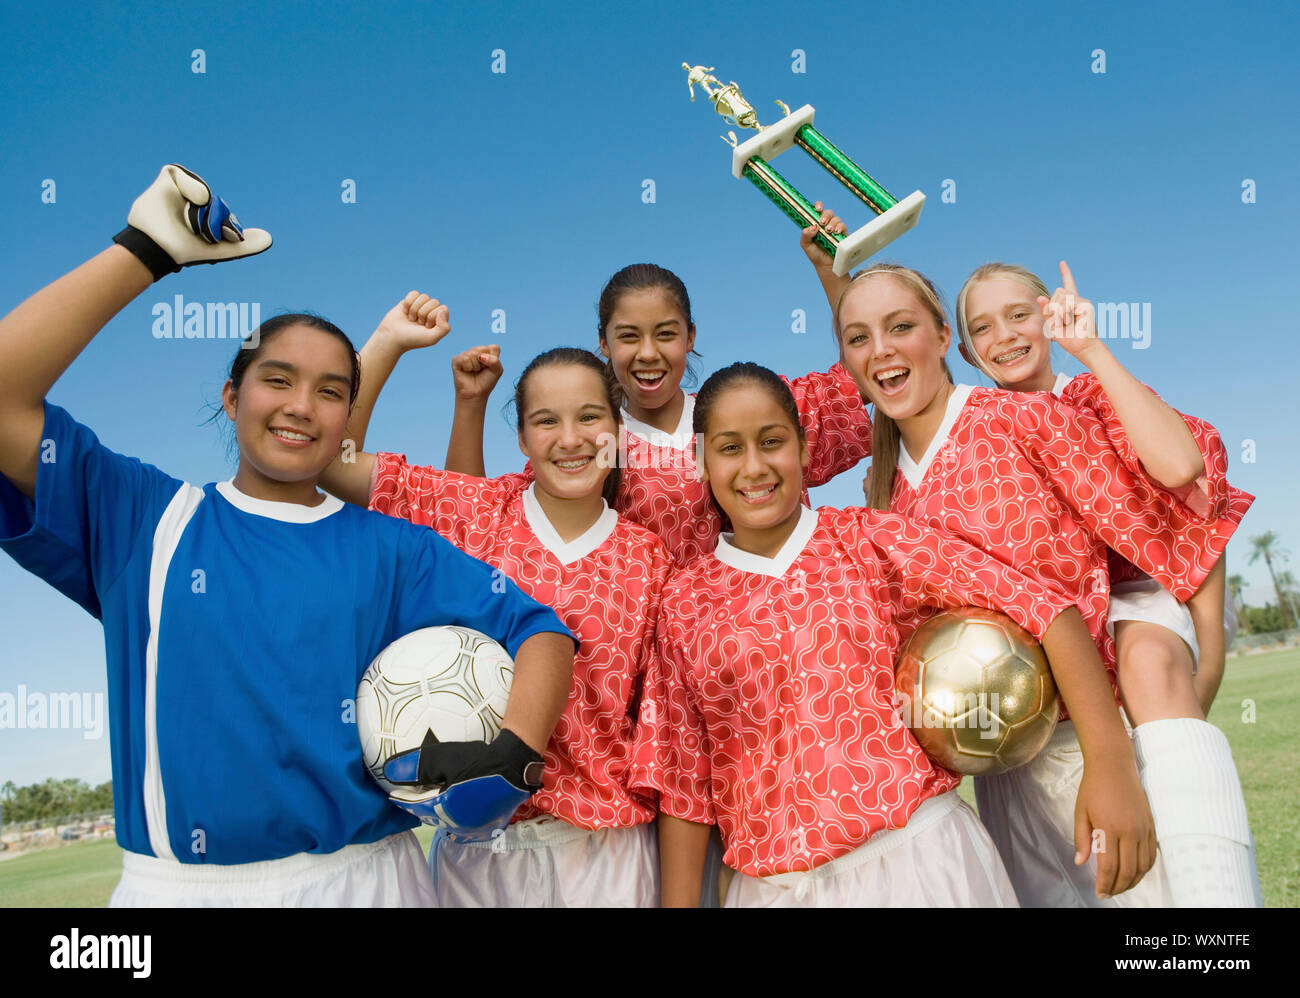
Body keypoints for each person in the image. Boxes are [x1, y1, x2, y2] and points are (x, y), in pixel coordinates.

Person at [0, 165, 575, 907]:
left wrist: (513, 756)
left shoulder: (390, 548)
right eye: (277, 380)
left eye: (332, 392)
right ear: (231, 396)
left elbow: (540, 631)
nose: (303, 407)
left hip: (372, 880)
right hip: (180, 890)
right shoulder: (143, 518)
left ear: (348, 415)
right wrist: (144, 251)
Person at [640, 363, 1153, 907]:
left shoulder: (869, 540)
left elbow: (1047, 610)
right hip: (775, 890)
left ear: (805, 449)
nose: (754, 466)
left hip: (922, 861)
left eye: (772, 441)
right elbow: (683, 781)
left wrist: (1110, 764)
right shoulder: (683, 602)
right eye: (728, 448)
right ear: (700, 461)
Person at [826, 261, 1256, 906]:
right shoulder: (884, 490)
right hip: (1005, 771)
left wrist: (1203, 660)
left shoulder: (1027, 418)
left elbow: (1175, 501)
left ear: (944, 339)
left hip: (1107, 742)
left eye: (902, 326)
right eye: (858, 338)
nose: (881, 348)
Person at [320, 331, 672, 907]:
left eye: (589, 417)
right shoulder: (476, 511)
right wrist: (388, 344)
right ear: (522, 437)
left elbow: (660, 732)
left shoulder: (650, 558)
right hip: (477, 854)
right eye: (545, 421)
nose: (570, 439)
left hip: (604, 854)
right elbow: (334, 461)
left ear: (618, 430)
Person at [443, 263, 873, 567]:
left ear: (690, 337)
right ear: (604, 344)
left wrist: (830, 272)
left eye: (666, 334)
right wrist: (470, 402)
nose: (648, 353)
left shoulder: (743, 412)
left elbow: (863, 378)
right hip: (667, 666)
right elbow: (476, 516)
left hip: (781, 623)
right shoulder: (594, 445)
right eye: (629, 337)